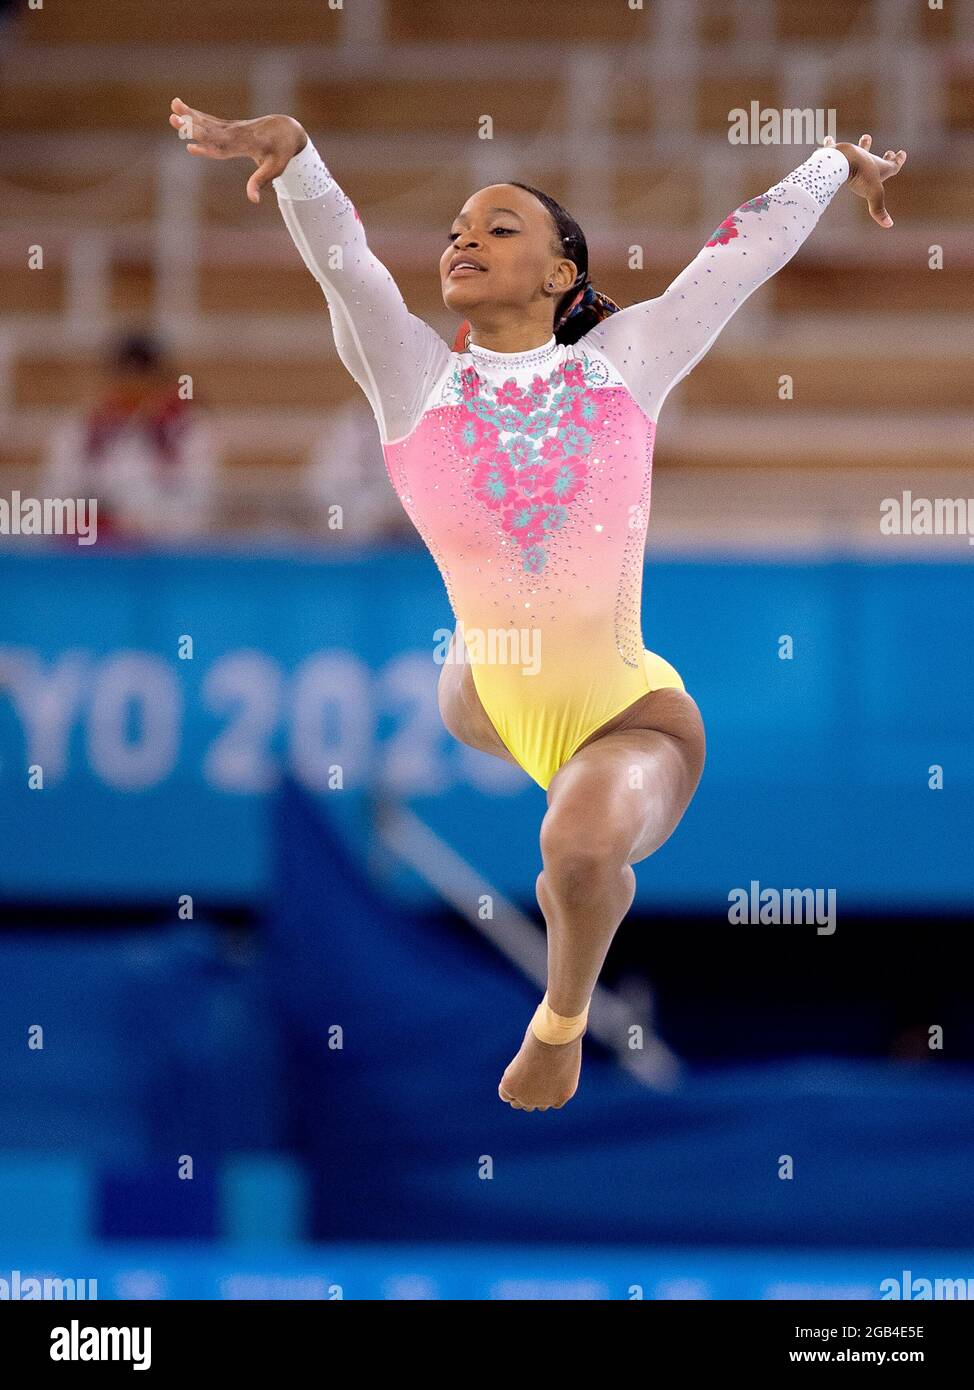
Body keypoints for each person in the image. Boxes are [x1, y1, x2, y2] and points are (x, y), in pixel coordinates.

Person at [168, 97, 906, 1112]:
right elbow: (346, 266)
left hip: (629, 716)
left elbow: (735, 255)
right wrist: (293, 152)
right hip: (487, 696)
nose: (465, 237)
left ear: (561, 273)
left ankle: (557, 1024)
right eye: (455, 229)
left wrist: (829, 163)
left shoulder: (620, 365)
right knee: (488, 692)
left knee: (578, 839)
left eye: (499, 226)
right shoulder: (412, 384)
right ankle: (497, 711)